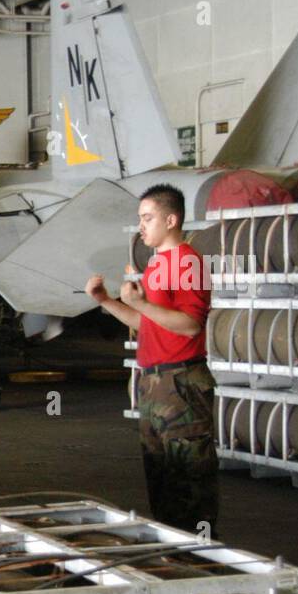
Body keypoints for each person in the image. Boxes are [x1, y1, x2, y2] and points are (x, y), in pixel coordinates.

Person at [86, 183, 218, 534]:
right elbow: (147, 326)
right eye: (140, 219)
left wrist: (141, 303)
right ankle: (173, 561)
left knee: (190, 486)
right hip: (154, 383)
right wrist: (106, 301)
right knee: (161, 485)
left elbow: (190, 326)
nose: (141, 226)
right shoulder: (158, 265)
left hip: (180, 384)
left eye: (148, 218)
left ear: (171, 220)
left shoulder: (188, 262)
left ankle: (204, 563)